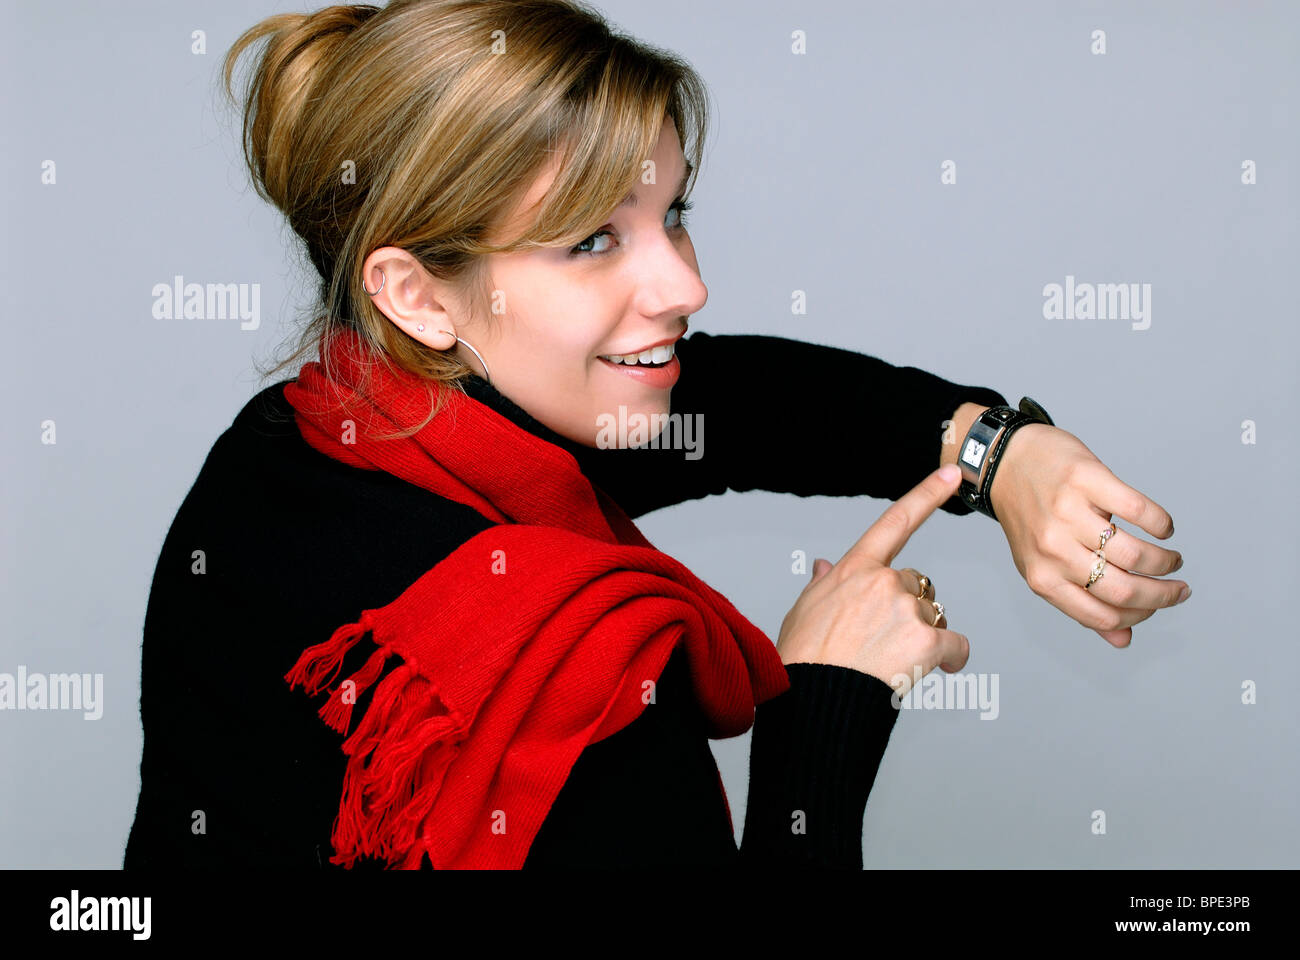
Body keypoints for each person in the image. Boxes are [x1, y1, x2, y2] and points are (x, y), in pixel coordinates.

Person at [124, 0, 1189, 871]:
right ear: (417, 294)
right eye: (593, 240)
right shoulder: (575, 698)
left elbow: (734, 406)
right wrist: (828, 697)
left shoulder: (300, 443)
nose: (685, 285)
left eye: (671, 213)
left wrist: (996, 452)